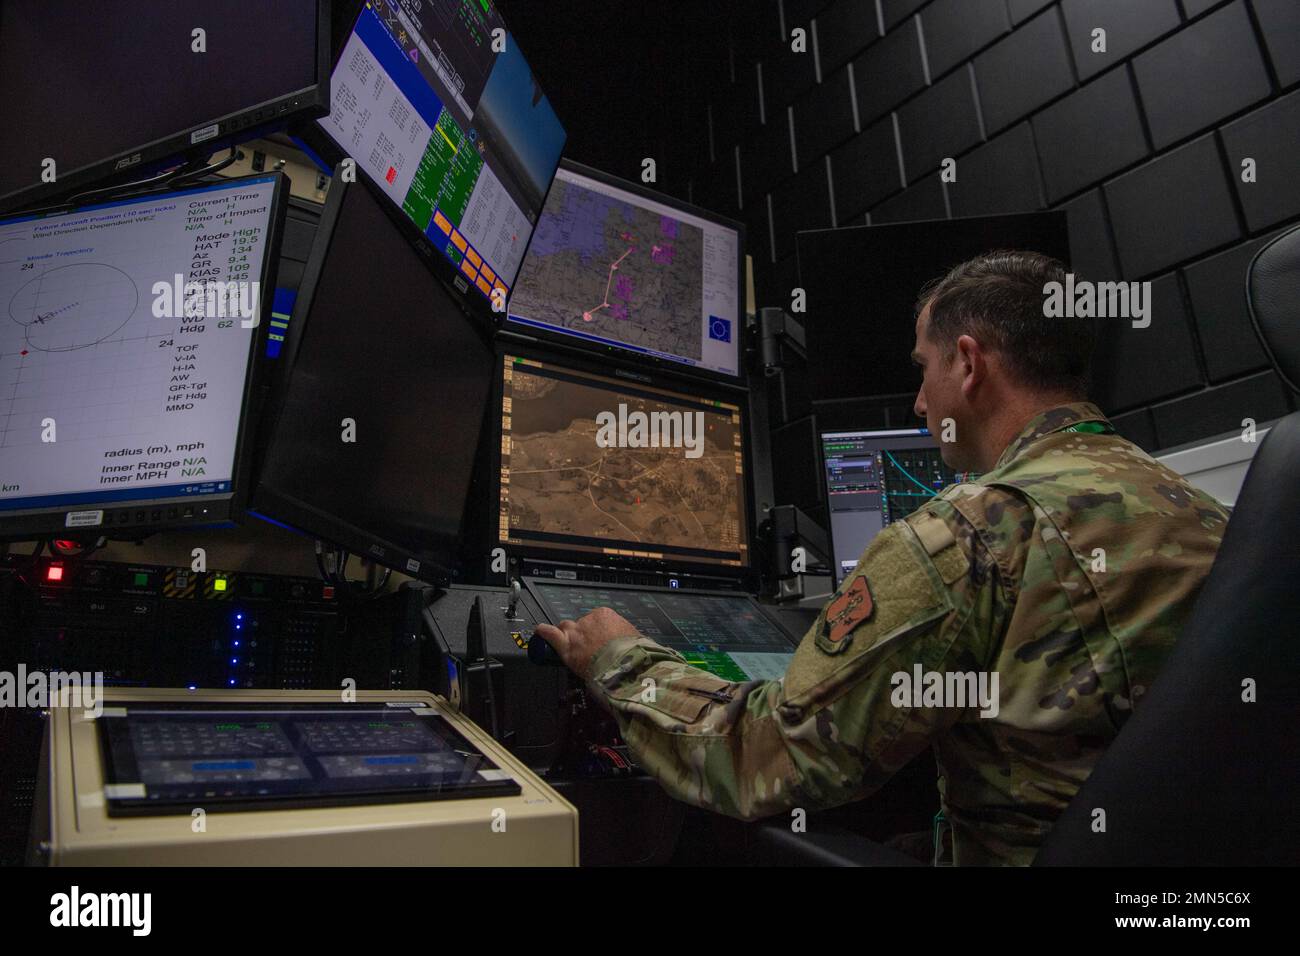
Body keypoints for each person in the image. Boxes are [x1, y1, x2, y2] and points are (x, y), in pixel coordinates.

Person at [535, 250, 1231, 865]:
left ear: (968, 361)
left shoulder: (965, 535)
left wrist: (619, 660)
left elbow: (767, 754)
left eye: (924, 369)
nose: (920, 399)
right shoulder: (1210, 516)